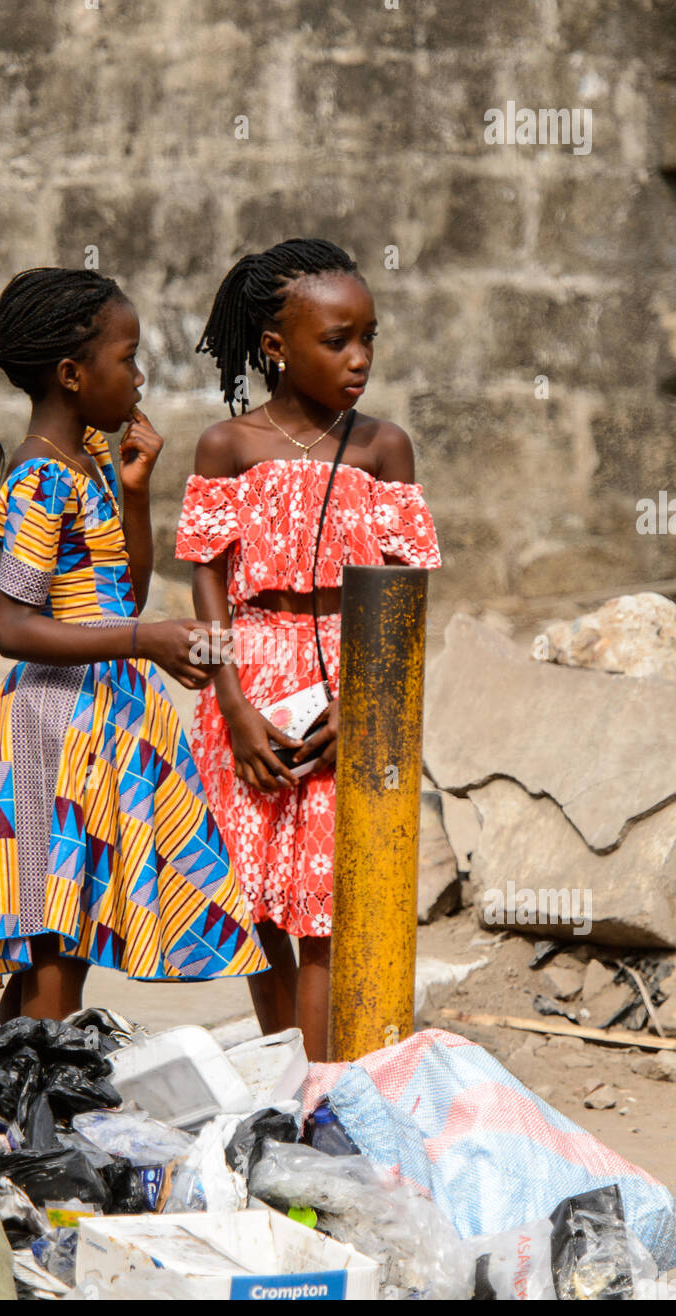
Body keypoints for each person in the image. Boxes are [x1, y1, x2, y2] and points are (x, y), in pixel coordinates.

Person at [0, 267, 267, 1021]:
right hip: (52, 731)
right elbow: (14, 626)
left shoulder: (91, 461)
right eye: (128, 358)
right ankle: (28, 1117)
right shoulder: (41, 479)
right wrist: (145, 642)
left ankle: (5, 1109)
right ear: (73, 374)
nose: (140, 379)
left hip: (99, 724)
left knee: (64, 941)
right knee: (51, 946)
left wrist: (136, 492)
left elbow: (119, 594)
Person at [175, 238, 441, 1060]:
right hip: (249, 688)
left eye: (369, 338)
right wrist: (231, 701)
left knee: (323, 906)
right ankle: (287, 1078)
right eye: (337, 341)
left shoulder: (380, 447)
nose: (359, 359)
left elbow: (409, 587)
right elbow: (207, 580)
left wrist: (361, 694)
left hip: (348, 686)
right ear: (275, 346)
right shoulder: (228, 447)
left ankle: (323, 1092)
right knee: (255, 904)